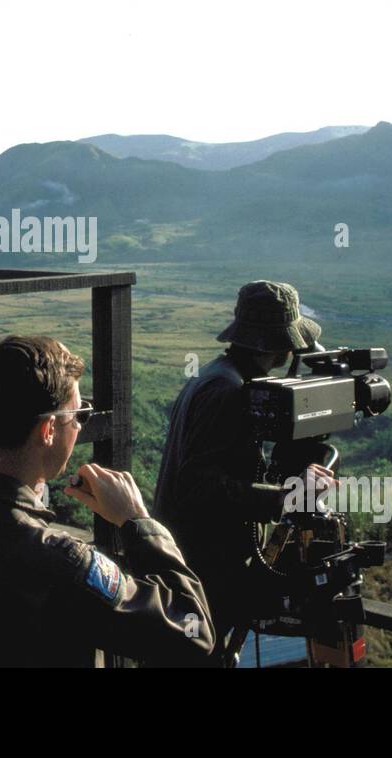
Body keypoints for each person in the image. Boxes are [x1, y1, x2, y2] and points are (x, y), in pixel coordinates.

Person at [0, 334, 215, 667]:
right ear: (48, 430)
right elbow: (193, 631)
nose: (78, 426)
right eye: (78, 416)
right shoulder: (60, 562)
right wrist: (139, 524)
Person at [153, 280, 337, 660]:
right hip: (202, 566)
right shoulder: (227, 391)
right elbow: (196, 485)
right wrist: (285, 499)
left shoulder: (221, 376)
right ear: (280, 343)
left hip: (192, 559)